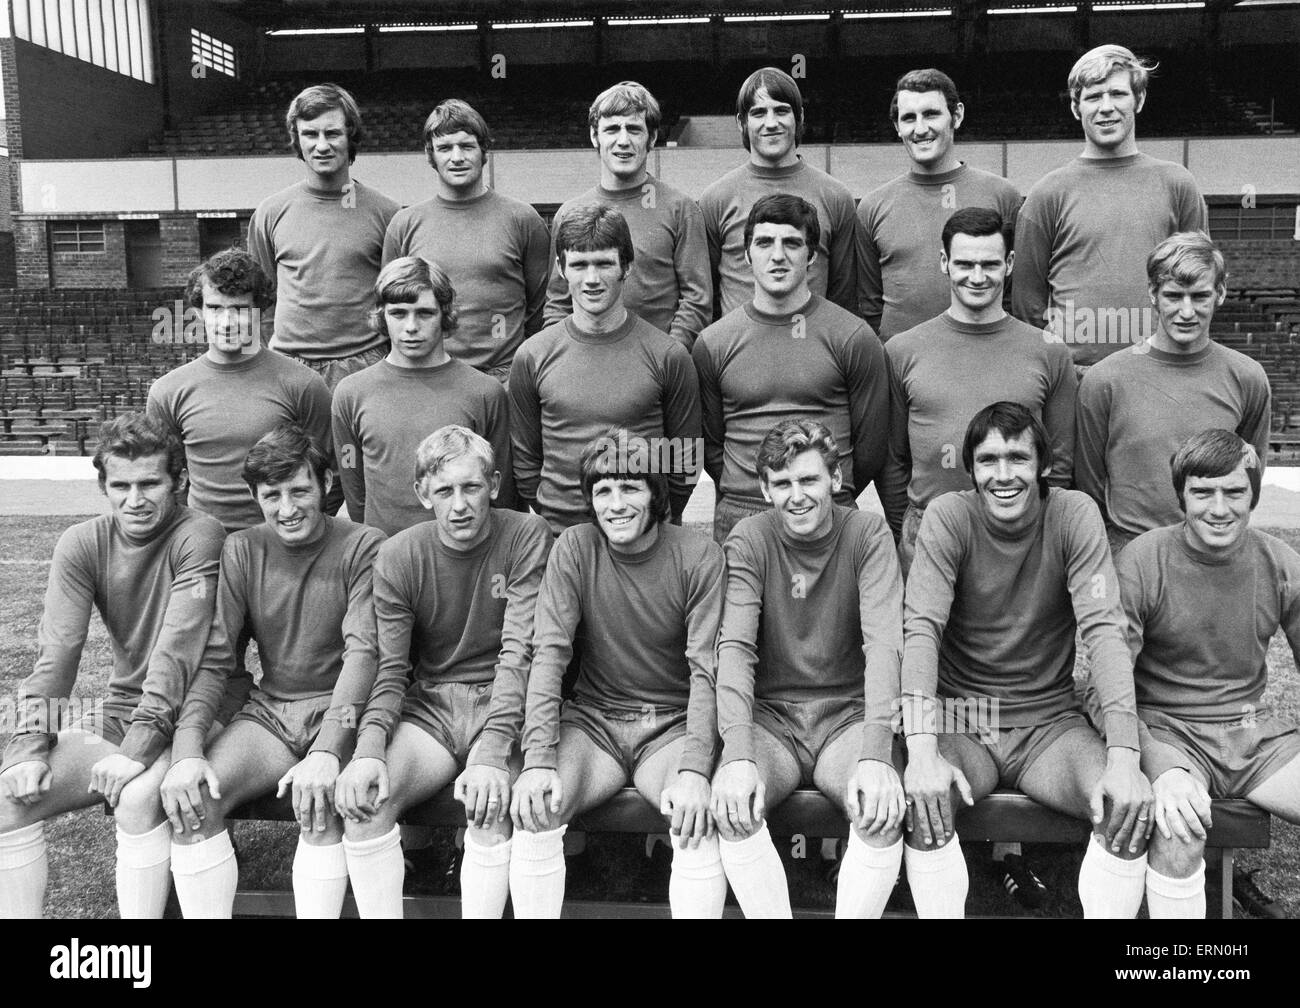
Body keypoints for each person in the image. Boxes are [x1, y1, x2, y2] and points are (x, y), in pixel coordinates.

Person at [901, 402, 1151, 918]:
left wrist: (1125, 757)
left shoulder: (1074, 513)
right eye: (988, 459)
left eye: (1018, 457)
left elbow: (1105, 630)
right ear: (971, 469)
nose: (1003, 474)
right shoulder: (950, 515)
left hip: (1048, 723)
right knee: (924, 804)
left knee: (1124, 804)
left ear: (1042, 465)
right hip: (964, 718)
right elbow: (922, 629)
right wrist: (923, 750)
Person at [0, 413, 224, 919]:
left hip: (200, 709)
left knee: (138, 797)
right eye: (120, 485)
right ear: (103, 486)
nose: (135, 498)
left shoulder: (201, 533)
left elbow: (179, 650)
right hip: (126, 707)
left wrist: (140, 749)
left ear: (179, 481)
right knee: (8, 799)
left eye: (150, 483)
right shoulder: (81, 543)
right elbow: (58, 652)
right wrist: (29, 746)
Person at [160, 425, 384, 919]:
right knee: (194, 803)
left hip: (344, 708)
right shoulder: (242, 549)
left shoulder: (365, 544)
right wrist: (185, 751)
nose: (287, 508)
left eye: (300, 490)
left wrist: (328, 750)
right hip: (274, 710)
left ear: (326, 484)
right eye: (272, 495)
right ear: (253, 496)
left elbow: (364, 653)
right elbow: (218, 657)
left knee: (320, 804)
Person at [333, 426, 552, 918]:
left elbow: (521, 652)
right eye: (444, 490)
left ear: (493, 485)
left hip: (503, 700)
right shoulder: (399, 554)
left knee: (490, 805)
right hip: (432, 705)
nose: (459, 505)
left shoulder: (525, 535)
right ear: (421, 493)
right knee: (366, 802)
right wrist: (367, 750)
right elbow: (391, 669)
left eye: (471, 487)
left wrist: (494, 752)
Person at [509, 430, 726, 918]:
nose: (616, 503)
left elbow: (706, 669)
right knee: (538, 805)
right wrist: (540, 756)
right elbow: (548, 653)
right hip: (595, 723)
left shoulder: (698, 554)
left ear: (655, 493)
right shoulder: (575, 547)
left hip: (670, 724)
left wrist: (694, 764)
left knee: (694, 816)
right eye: (603, 490)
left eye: (630, 487)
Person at [711, 419, 906, 918]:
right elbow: (734, 647)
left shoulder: (865, 531)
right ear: (764, 488)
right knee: (733, 808)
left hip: (847, 714)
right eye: (782, 484)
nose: (796, 496)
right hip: (773, 717)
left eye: (809, 480)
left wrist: (877, 751)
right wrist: (736, 753)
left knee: (878, 811)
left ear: (835, 480)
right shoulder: (750, 537)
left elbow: (883, 643)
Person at [1117, 430, 1300, 919]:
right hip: (1169, 731)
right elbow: (1105, 681)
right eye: (1203, 492)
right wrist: (1154, 759)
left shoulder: (1280, 563)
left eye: (1234, 492)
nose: (1219, 508)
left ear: (1253, 495)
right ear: (1182, 495)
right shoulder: (1144, 558)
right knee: (1180, 829)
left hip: (1249, 733)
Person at [881, 207, 1076, 575]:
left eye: (989, 264)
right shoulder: (902, 351)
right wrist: (907, 529)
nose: (977, 277)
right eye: (965, 264)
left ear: (1010, 263)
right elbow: (892, 459)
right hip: (928, 533)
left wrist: (1035, 522)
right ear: (944, 262)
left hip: (1020, 531)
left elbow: (1060, 461)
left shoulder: (1049, 350)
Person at [694, 194, 889, 544]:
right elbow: (710, 442)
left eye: (792, 243)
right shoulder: (713, 343)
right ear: (746, 253)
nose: (778, 255)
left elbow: (871, 446)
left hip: (831, 507)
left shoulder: (854, 337)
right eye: (765, 242)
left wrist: (826, 488)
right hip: (743, 511)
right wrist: (753, 487)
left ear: (812, 256)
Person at [1075, 231, 1270, 555]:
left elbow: (1249, 475)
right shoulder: (1105, 381)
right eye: (1174, 296)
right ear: (1153, 293)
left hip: (1211, 553)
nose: (1187, 311)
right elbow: (1089, 486)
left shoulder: (1247, 378)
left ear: (1220, 293)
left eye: (1199, 296)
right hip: (1129, 552)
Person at [510, 205, 701, 535]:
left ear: (625, 266)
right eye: (580, 265)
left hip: (645, 536)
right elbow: (526, 461)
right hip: (561, 536)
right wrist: (556, 514)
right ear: (561, 268)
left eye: (603, 264)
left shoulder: (668, 355)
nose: (592, 279)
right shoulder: (532, 356)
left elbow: (684, 458)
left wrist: (651, 511)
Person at [1012, 45, 1208, 366]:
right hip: (1073, 379)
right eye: (1093, 97)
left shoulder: (1177, 184)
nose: (1106, 107)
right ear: (1076, 108)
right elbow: (1027, 305)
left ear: (1139, 100)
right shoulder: (1047, 193)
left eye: (1117, 94)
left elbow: (1198, 284)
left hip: (1157, 371)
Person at [147, 247, 333, 534]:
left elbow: (328, 475)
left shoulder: (303, 384)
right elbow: (165, 477)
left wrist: (297, 531)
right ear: (198, 312)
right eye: (215, 308)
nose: (227, 322)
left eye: (240, 309)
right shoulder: (168, 391)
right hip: (205, 546)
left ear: (260, 309)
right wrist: (191, 534)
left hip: (280, 543)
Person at [332, 256, 515, 536]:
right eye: (399, 313)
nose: (411, 327)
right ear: (382, 315)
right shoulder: (351, 393)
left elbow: (501, 497)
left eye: (425, 313)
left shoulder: (485, 392)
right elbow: (355, 493)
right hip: (385, 556)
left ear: (445, 314)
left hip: (465, 554)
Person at [382, 99, 550, 384]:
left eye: (467, 146)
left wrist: (523, 369)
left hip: (505, 377)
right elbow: (391, 307)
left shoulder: (523, 219)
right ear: (431, 155)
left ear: (484, 152)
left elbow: (540, 307)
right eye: (445, 148)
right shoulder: (405, 224)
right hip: (429, 376)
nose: (456, 157)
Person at [249, 83, 401, 390]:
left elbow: (397, 300)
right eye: (310, 134)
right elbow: (259, 299)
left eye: (332, 133)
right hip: (289, 366)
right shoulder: (270, 212)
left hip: (364, 363)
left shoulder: (388, 213)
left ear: (350, 136)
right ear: (297, 140)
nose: (321, 145)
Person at [857, 69, 1023, 341]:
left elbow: (1014, 295)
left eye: (931, 114)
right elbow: (870, 304)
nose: (920, 129)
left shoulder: (1002, 196)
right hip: (900, 369)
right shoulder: (872, 207)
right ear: (897, 127)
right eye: (909, 118)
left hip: (985, 356)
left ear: (956, 116)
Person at [544, 81, 712, 350]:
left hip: (657, 367)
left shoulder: (681, 209)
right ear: (594, 136)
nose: (623, 140)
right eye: (612, 129)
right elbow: (557, 304)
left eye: (634, 129)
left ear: (652, 138)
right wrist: (564, 355)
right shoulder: (569, 213)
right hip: (585, 361)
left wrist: (666, 358)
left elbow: (697, 300)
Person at [700, 67, 860, 319]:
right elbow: (706, 296)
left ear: (799, 117)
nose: (771, 123)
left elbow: (843, 298)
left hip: (815, 350)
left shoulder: (836, 197)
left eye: (782, 110)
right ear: (741, 122)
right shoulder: (715, 199)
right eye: (759, 113)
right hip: (739, 352)